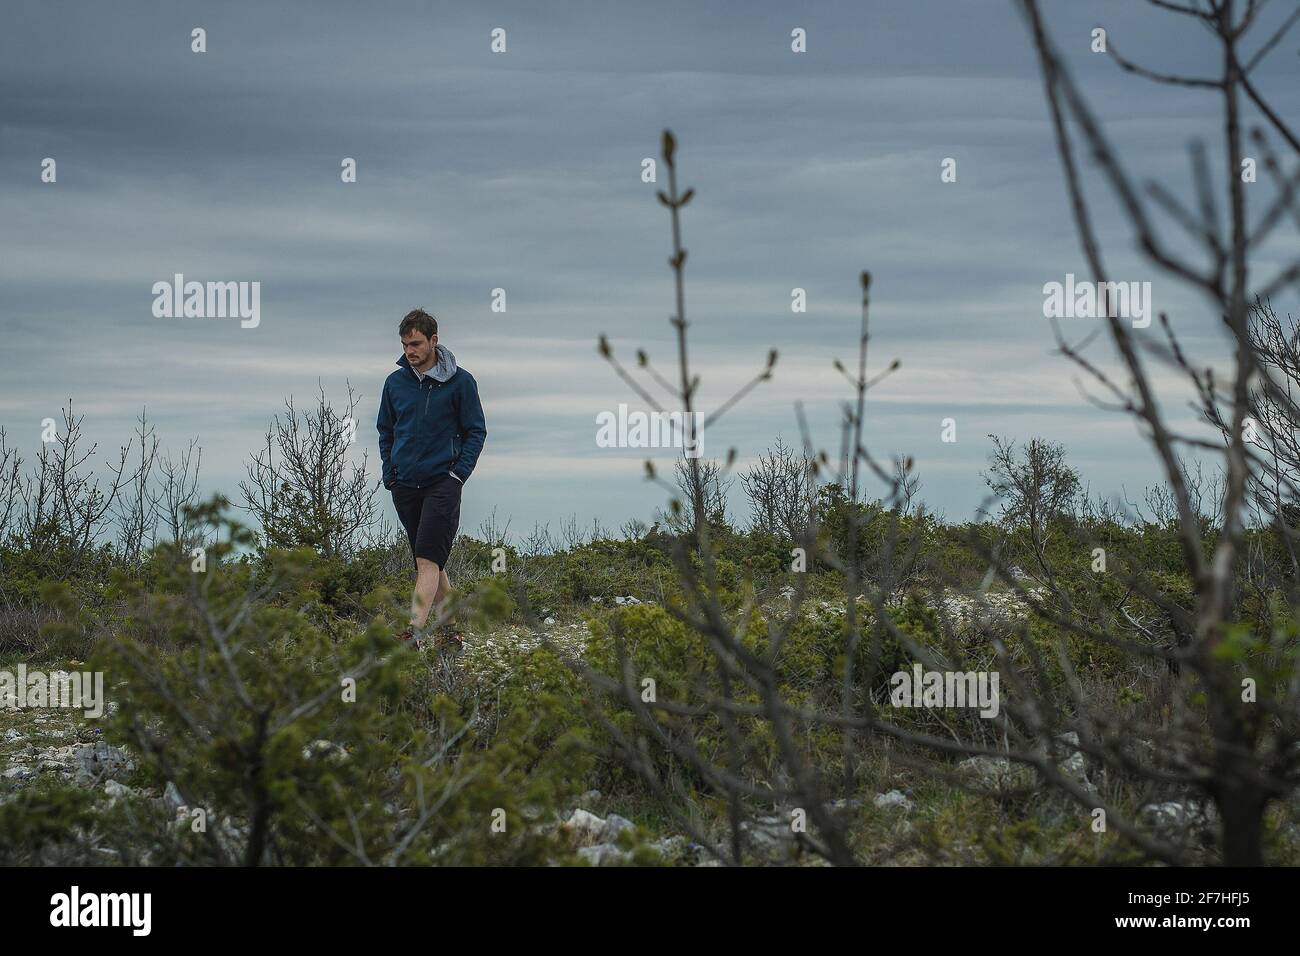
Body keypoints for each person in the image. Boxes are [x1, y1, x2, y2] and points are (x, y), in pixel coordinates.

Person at [376, 308, 487, 648]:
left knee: (425, 559)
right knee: (432, 562)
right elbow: (385, 430)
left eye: (416, 343)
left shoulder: (461, 382)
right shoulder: (395, 383)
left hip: (443, 482)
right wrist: (389, 472)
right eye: (405, 344)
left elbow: (476, 431)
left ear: (434, 340)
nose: (409, 351)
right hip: (405, 484)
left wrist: (458, 475)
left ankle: (411, 635)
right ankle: (452, 634)